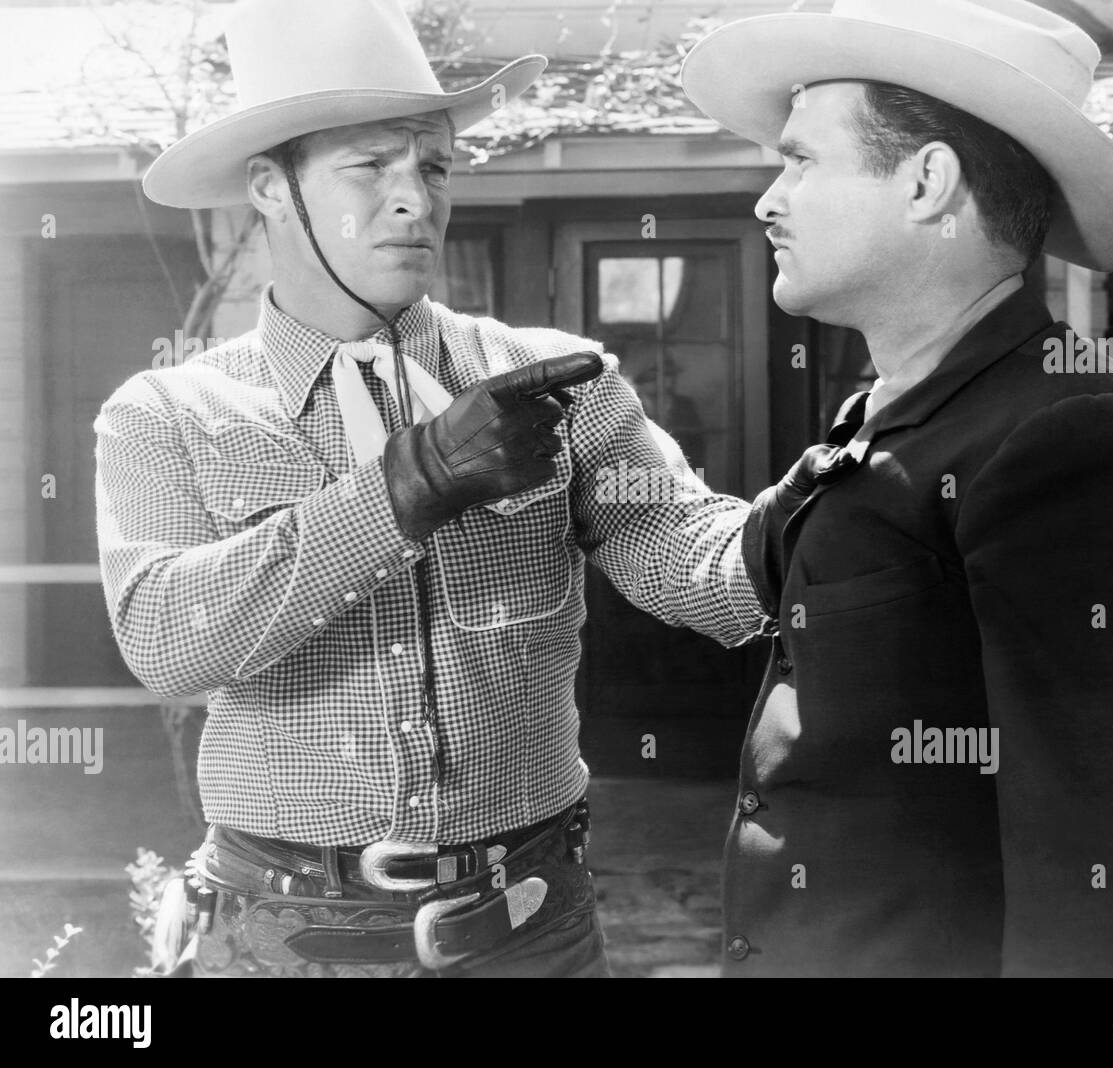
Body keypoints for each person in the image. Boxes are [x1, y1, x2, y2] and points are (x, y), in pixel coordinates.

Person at [95, 0, 765, 977]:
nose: (416, 200)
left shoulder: (552, 380)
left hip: (527, 926)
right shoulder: (166, 413)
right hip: (281, 938)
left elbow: (692, 560)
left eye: (435, 167)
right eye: (369, 166)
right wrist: (414, 483)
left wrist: (844, 507)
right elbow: (165, 640)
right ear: (270, 188)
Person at [685, 0, 1113, 976]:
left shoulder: (1075, 440)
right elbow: (735, 563)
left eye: (802, 160)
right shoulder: (895, 415)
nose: (767, 201)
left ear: (927, 183)